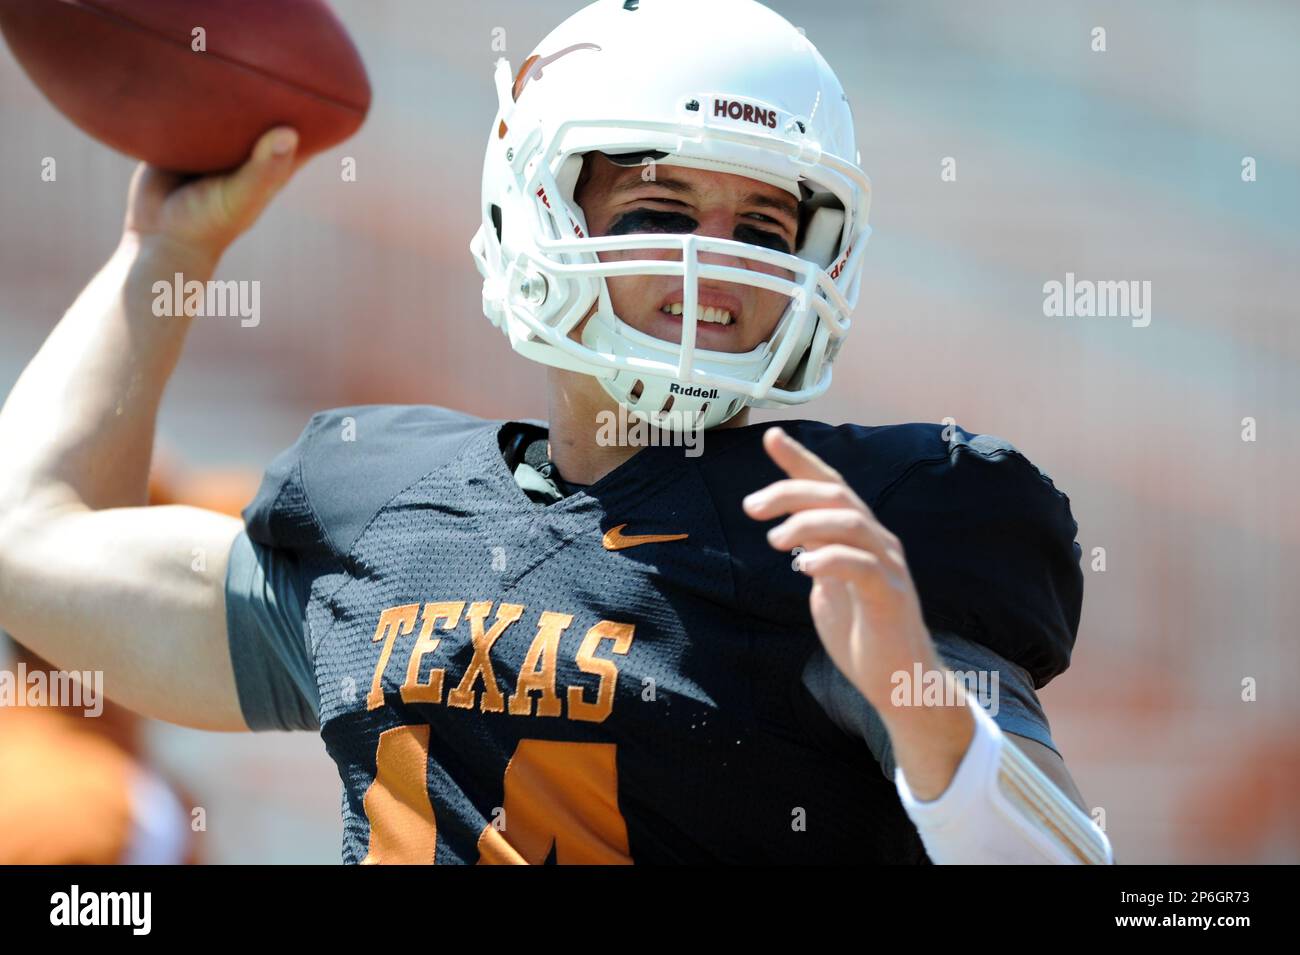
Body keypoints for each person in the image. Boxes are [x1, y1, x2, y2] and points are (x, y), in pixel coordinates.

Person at [0, 0, 1111, 864]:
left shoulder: (838, 533)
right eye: (661, 213)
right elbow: (31, 547)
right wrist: (166, 254)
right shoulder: (383, 514)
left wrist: (921, 698)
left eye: (763, 229)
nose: (713, 263)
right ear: (530, 210)